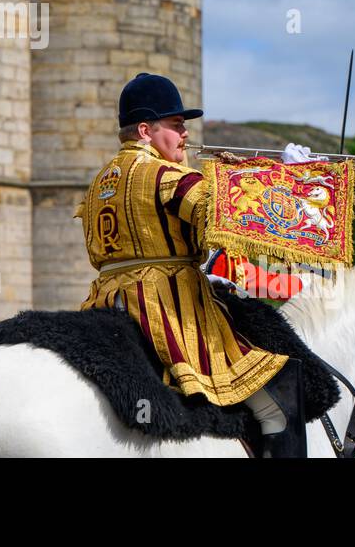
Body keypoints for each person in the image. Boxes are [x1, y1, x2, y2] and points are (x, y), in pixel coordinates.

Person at [75, 72, 310, 456]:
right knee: (281, 387)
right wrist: (288, 181)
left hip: (105, 302)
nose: (185, 134)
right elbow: (226, 215)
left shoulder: (100, 180)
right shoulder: (167, 174)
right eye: (177, 125)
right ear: (146, 130)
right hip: (167, 307)